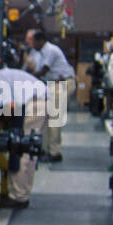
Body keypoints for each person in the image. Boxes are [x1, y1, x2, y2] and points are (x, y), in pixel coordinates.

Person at [0, 65, 47, 208]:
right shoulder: (6, 73)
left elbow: (10, 106)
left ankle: (17, 197)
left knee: (20, 148)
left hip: (33, 105)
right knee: (31, 151)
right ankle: (23, 193)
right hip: (44, 101)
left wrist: (2, 124)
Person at [23, 28, 74, 161]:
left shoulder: (50, 50)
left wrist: (25, 78)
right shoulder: (40, 52)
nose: (31, 45)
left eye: (33, 42)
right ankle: (45, 150)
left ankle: (55, 153)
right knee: (45, 119)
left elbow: (43, 71)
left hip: (61, 84)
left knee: (55, 119)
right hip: (50, 85)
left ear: (40, 41)